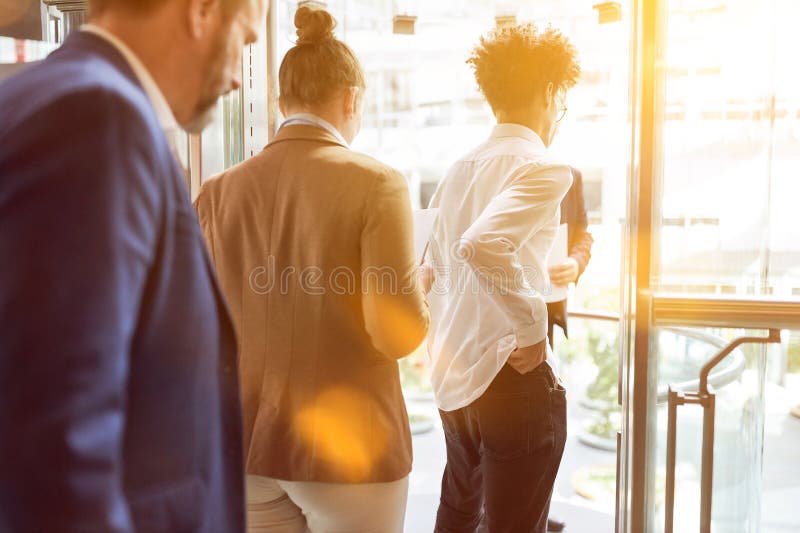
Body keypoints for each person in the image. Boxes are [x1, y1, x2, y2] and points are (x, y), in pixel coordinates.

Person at [0, 0, 265, 531]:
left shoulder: (43, 94)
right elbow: (58, 450)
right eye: (244, 41)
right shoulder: (97, 117)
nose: (239, 78)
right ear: (201, 10)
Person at [194, 6, 432, 532]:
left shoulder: (215, 193)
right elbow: (396, 335)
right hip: (349, 451)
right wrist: (423, 287)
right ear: (351, 100)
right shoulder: (378, 184)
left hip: (244, 445)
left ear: (280, 103)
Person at [426, 22, 580, 532]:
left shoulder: (458, 169)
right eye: (561, 101)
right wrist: (533, 327)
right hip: (513, 376)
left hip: (459, 382)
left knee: (457, 515)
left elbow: (429, 268)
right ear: (550, 92)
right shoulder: (545, 166)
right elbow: (482, 245)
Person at [545, 167, 594, 533]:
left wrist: (575, 263)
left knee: (543, 424)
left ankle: (535, 510)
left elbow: (583, 235)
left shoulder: (569, 176)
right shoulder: (504, 166)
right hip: (501, 315)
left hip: (546, 314)